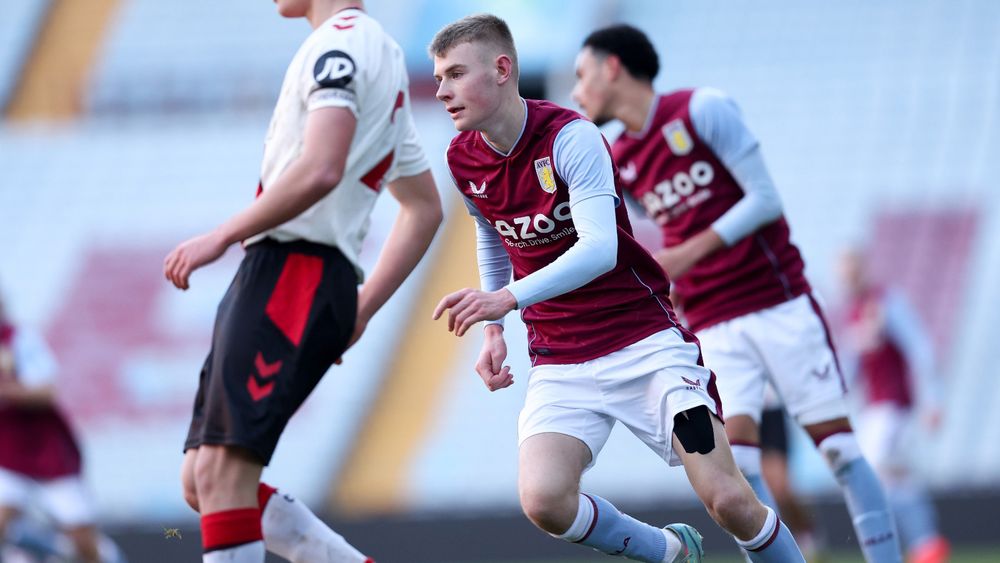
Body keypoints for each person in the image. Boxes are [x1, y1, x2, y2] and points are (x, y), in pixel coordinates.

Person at [430, 14, 804, 563]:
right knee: (544, 500)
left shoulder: (571, 138)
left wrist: (507, 298)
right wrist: (494, 327)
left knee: (730, 501)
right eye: (439, 78)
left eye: (456, 74)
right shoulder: (462, 158)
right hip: (560, 358)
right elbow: (492, 235)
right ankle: (670, 552)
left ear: (502, 69)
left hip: (643, 342)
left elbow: (600, 250)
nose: (442, 91)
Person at [571, 24, 901, 562]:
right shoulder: (618, 156)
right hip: (710, 321)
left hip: (777, 302)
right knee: (738, 472)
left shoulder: (701, 110)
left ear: (613, 68)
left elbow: (766, 199)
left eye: (582, 76)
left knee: (839, 450)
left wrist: (685, 254)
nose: (576, 92)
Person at [163, 0, 443, 560]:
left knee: (221, 472)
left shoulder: (340, 43)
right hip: (294, 273)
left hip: (296, 269)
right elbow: (424, 208)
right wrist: (360, 309)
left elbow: (321, 166)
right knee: (202, 479)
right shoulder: (374, 53)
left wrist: (220, 234)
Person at [837, 250, 950, 563]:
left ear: (861, 269)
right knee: (895, 478)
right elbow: (851, 369)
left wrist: (934, 399)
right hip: (873, 409)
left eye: (850, 269)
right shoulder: (855, 312)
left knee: (873, 473)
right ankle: (927, 545)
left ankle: (901, 548)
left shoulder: (886, 302)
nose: (846, 277)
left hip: (894, 406)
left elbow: (920, 347)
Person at [0, 291, 124, 563]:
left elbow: (46, 391)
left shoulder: (18, 339)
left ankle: (93, 553)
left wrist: (9, 389)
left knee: (82, 538)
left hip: (46, 454)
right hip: (7, 455)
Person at [758, 394, 826, 563]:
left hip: (769, 410)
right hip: (738, 408)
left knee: (780, 487)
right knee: (759, 486)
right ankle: (767, 547)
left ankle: (806, 534)